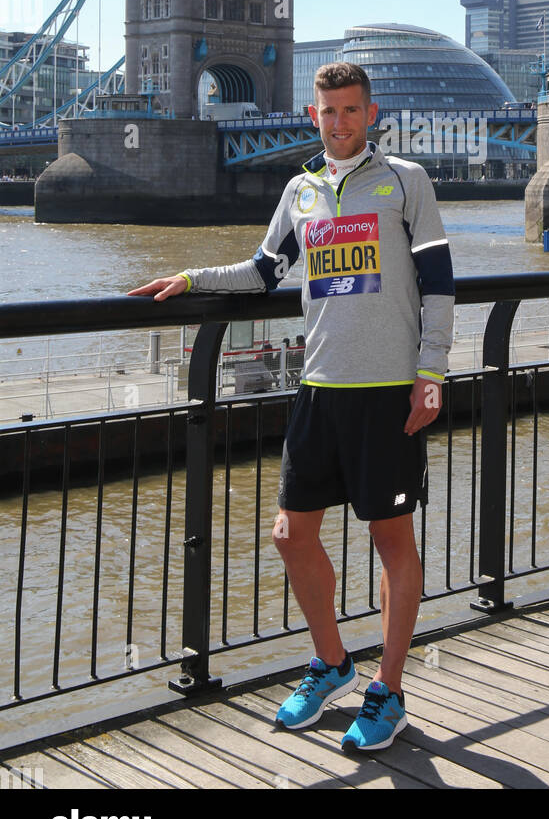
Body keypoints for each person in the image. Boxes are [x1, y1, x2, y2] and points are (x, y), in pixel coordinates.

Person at [128, 63, 454, 751]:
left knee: (391, 542)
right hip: (319, 389)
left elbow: (440, 285)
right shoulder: (300, 192)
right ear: (314, 116)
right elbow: (261, 272)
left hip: (387, 394)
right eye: (328, 111)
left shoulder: (406, 183)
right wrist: (191, 277)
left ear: (372, 114)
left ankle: (388, 693)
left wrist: (431, 372)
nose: (339, 123)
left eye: (350, 111)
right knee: (288, 534)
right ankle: (333, 661)